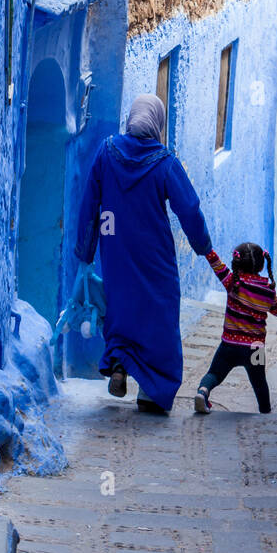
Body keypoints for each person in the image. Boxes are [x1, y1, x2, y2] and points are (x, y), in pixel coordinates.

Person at [75, 93, 212, 414]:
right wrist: (202, 245)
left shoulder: (106, 152)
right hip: (155, 257)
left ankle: (120, 366)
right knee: (159, 316)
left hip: (116, 252)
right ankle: (153, 391)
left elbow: (89, 206)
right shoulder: (165, 163)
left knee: (122, 310)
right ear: (157, 123)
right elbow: (189, 208)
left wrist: (85, 252)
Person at [194, 243, 277, 414]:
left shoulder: (232, 283)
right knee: (259, 382)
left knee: (214, 374)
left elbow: (216, 263)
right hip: (255, 348)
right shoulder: (267, 292)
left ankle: (203, 392)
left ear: (237, 262)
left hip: (229, 345)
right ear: (262, 266)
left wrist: (207, 248)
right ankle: (266, 412)